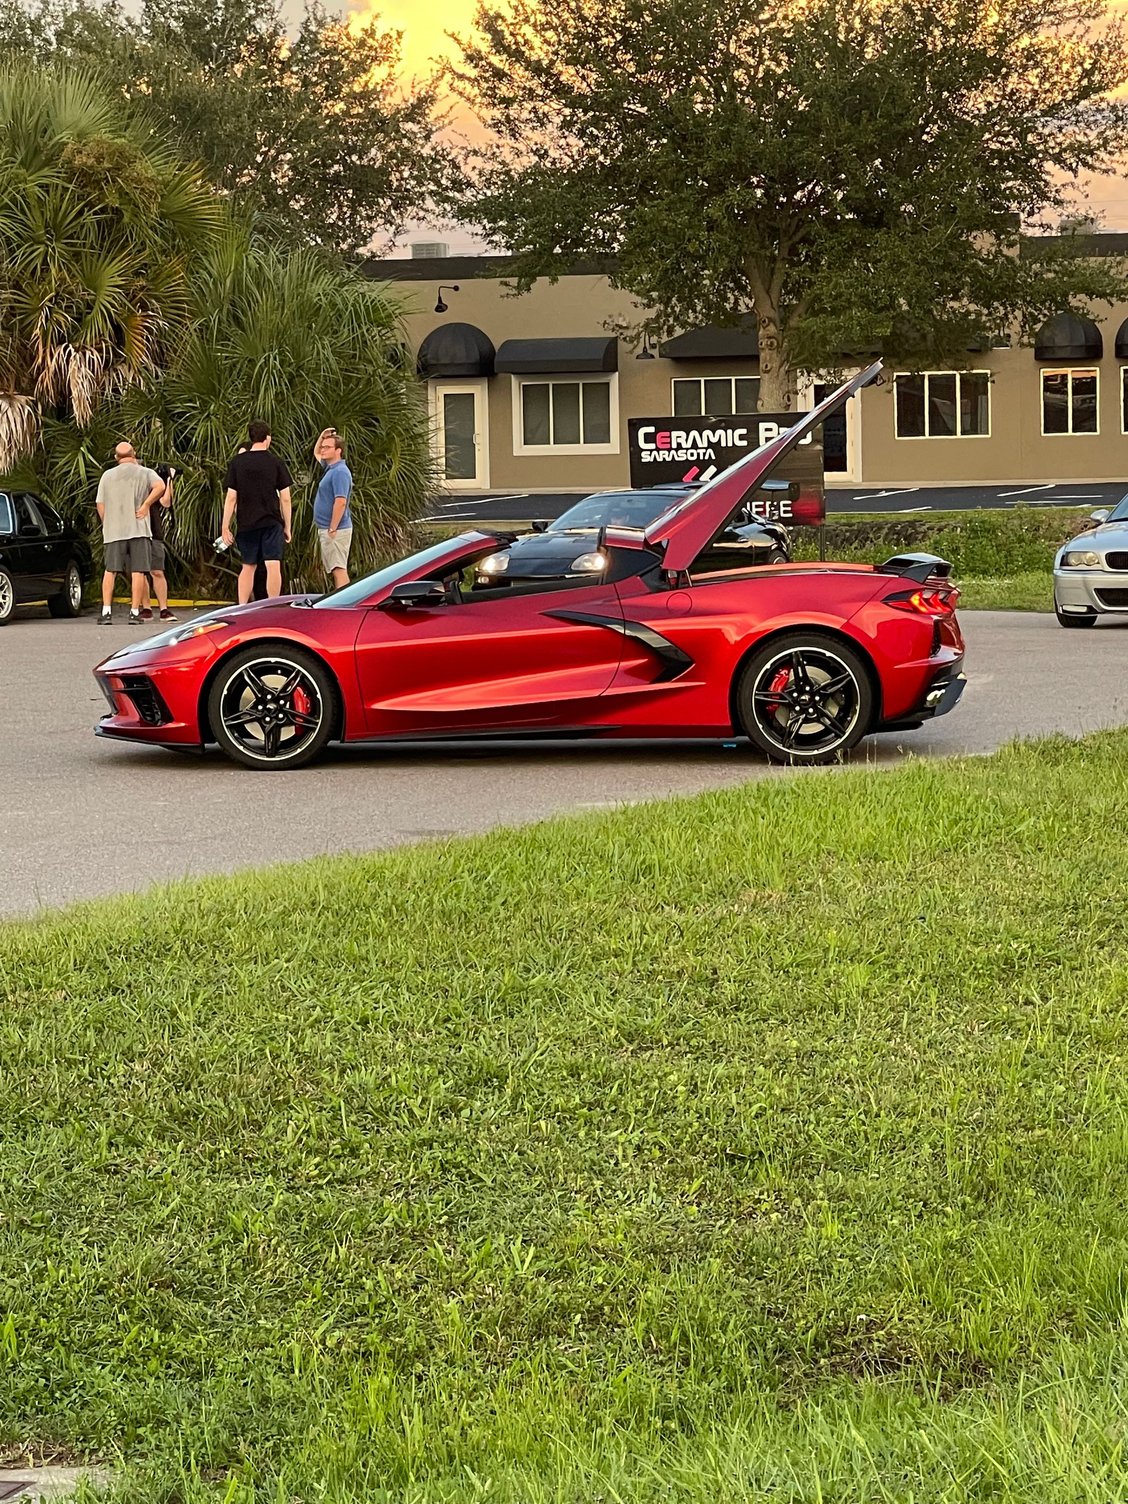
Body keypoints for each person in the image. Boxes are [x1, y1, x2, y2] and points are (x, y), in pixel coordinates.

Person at [221, 420, 292, 604]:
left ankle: (242, 606)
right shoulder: (276, 462)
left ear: (251, 438)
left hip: (246, 522)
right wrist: (288, 526)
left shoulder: (238, 462)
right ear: (267, 438)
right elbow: (285, 497)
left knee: (248, 566)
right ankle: (273, 604)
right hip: (271, 522)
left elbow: (231, 497)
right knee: (273, 564)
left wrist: (225, 526)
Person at [94, 442, 165, 626]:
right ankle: (134, 612)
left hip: (114, 530)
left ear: (116, 457)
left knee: (110, 570)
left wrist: (107, 522)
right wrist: (146, 504)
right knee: (138, 571)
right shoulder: (144, 472)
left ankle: (106, 611)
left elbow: (100, 504)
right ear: (134, 453)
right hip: (139, 528)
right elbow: (160, 486)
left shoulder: (107, 476)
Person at [312, 427, 354, 588]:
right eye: (323, 446)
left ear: (338, 451)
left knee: (338, 568)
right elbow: (316, 453)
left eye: (327, 447)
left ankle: (344, 606)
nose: (323, 450)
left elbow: (340, 501)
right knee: (335, 568)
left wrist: (333, 527)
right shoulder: (330, 469)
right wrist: (322, 437)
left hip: (336, 529)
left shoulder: (340, 472)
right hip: (328, 528)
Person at [140, 463, 177, 622]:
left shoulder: (155, 483)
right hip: (138, 531)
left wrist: (169, 479)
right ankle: (146, 608)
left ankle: (164, 609)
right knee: (140, 572)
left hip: (154, 532)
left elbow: (166, 502)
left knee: (157, 571)